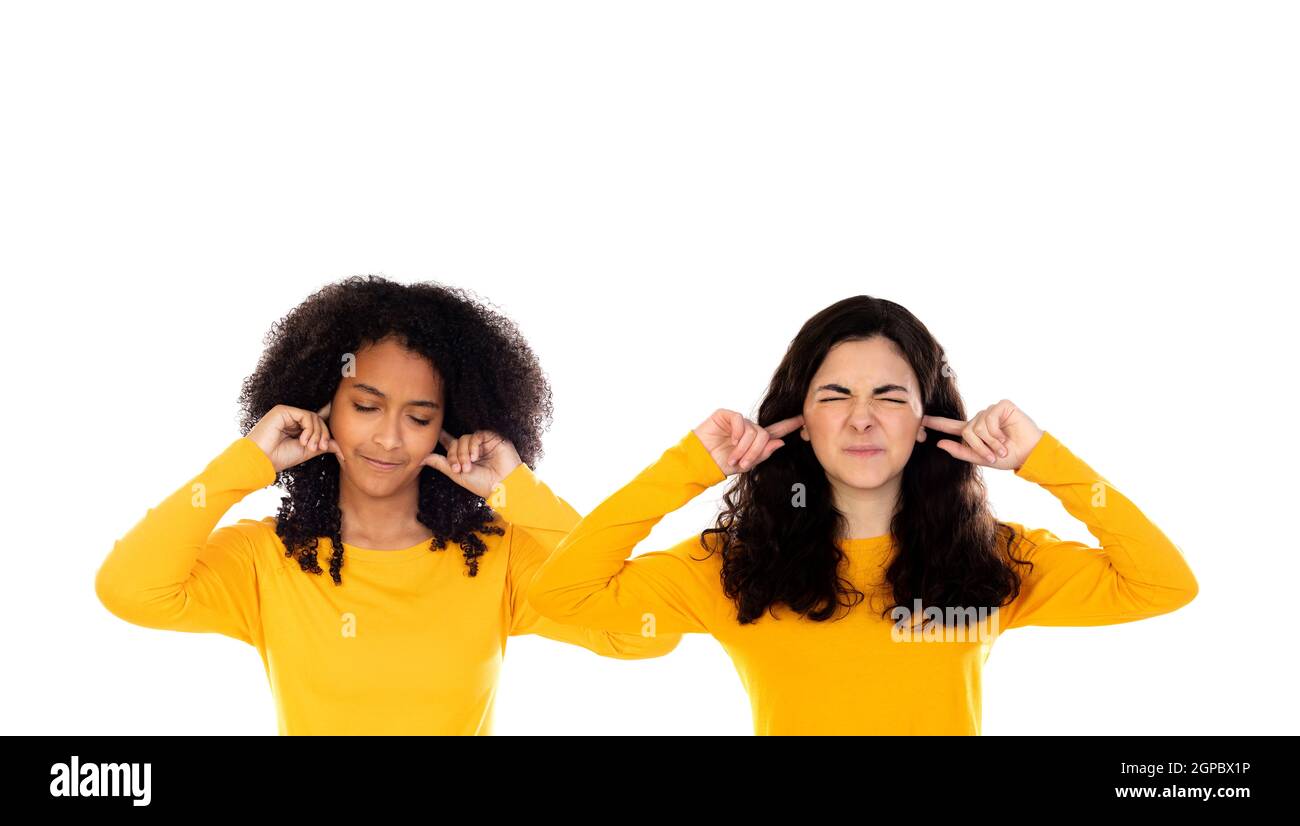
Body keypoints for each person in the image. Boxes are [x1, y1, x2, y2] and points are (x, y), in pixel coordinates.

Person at [527, 294, 1197, 735]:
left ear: (927, 419)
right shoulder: (734, 566)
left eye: (890, 395)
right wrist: (688, 466)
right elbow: (565, 593)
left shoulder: (991, 560)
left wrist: (1043, 459)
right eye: (835, 394)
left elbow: (1163, 585)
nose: (861, 417)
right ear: (800, 421)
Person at [95, 275, 679, 735]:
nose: (390, 439)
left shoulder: (497, 558)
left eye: (420, 417)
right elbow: (129, 590)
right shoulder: (268, 558)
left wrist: (517, 491)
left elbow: (645, 633)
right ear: (323, 405)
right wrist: (248, 463)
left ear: (449, 426)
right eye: (367, 406)